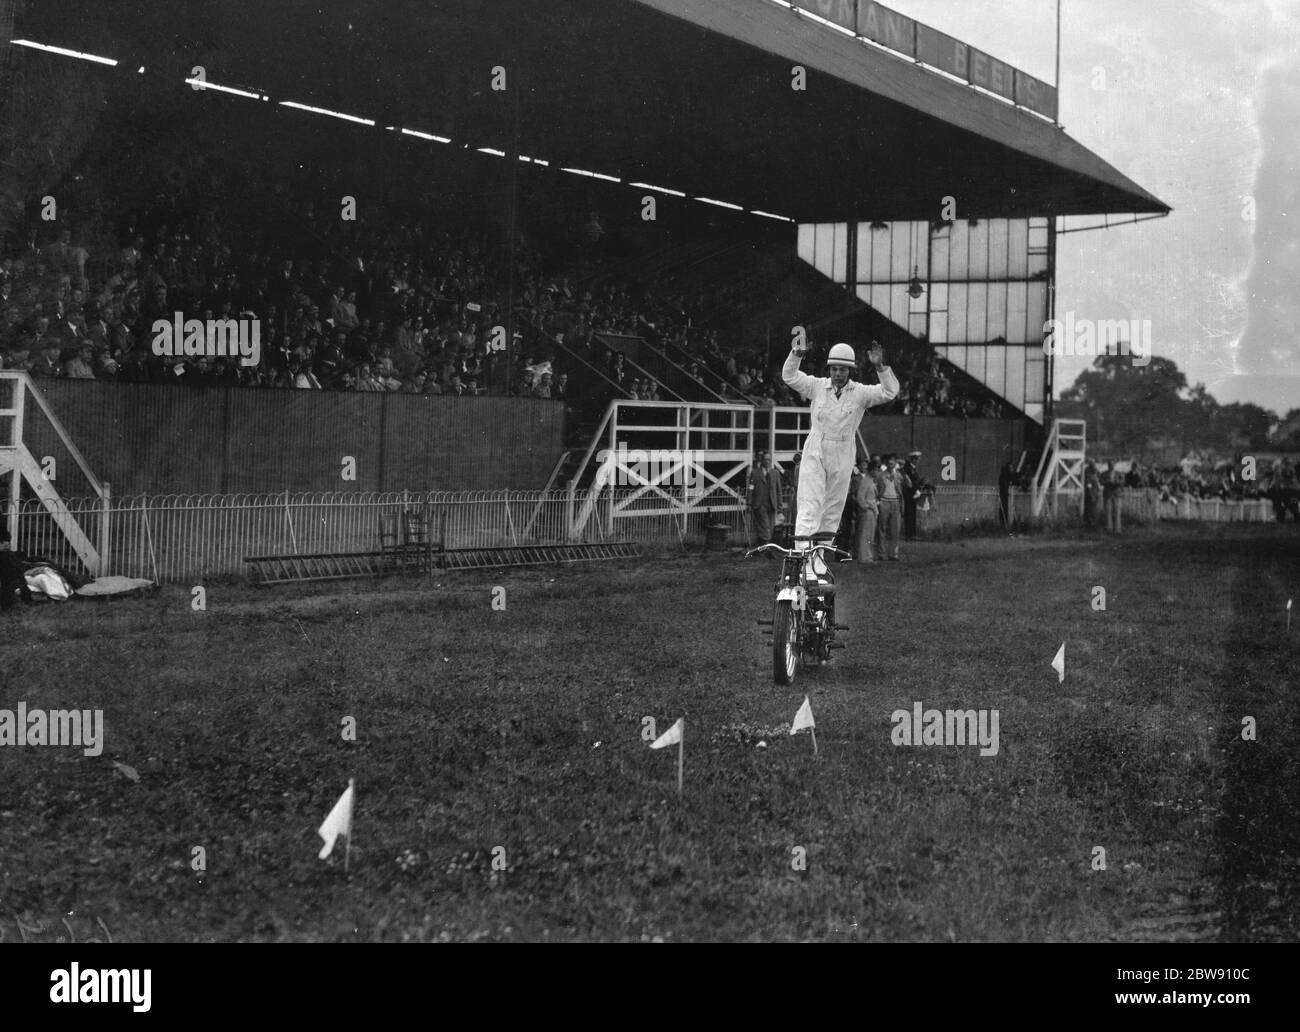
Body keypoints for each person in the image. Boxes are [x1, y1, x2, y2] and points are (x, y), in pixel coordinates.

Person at [782, 339, 898, 549]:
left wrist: (880, 367)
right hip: (816, 448)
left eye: (843, 369)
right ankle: (802, 561)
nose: (838, 374)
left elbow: (889, 392)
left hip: (843, 451)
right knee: (810, 505)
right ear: (829, 369)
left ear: (850, 370)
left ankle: (818, 562)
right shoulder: (817, 386)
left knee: (832, 509)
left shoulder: (861, 393)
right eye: (834, 369)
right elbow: (789, 376)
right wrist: (796, 354)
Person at [874, 455, 911, 561]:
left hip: (895, 502)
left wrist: (904, 473)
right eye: (889, 463)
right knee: (882, 528)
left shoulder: (898, 475)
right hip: (884, 501)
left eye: (893, 463)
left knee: (895, 529)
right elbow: (875, 487)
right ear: (886, 464)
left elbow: (909, 484)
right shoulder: (881, 475)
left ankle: (894, 554)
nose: (891, 465)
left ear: (895, 464)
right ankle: (881, 553)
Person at [746, 448, 782, 547]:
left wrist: (779, 506)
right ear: (762, 461)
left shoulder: (775, 473)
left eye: (769, 460)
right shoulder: (755, 473)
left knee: (770, 527)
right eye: (765, 459)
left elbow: (778, 490)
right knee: (765, 526)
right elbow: (750, 489)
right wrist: (749, 503)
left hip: (771, 504)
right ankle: (767, 548)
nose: (767, 461)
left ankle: (761, 546)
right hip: (760, 504)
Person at [0, 528, 34, 610]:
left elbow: (17, 568)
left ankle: (25, 599)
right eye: (3, 544)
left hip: (11, 581)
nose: (7, 546)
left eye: (8, 544)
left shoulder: (9, 555)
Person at [854, 459, 880, 561]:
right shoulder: (865, 482)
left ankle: (868, 555)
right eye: (876, 470)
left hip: (872, 510)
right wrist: (865, 507)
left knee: (870, 534)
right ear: (872, 470)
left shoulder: (871, 481)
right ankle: (864, 557)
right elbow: (860, 496)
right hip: (867, 511)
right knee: (865, 534)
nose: (878, 472)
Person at [1102, 461, 1123, 533]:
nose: (1111, 466)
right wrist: (1107, 482)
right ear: (1108, 465)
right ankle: (1109, 529)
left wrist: (1117, 482)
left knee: (1117, 512)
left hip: (1117, 495)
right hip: (1107, 495)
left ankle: (1117, 530)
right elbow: (1101, 481)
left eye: (1113, 464)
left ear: (1115, 465)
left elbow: (1122, 482)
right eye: (1110, 465)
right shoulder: (1104, 474)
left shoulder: (1119, 473)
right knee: (1108, 512)